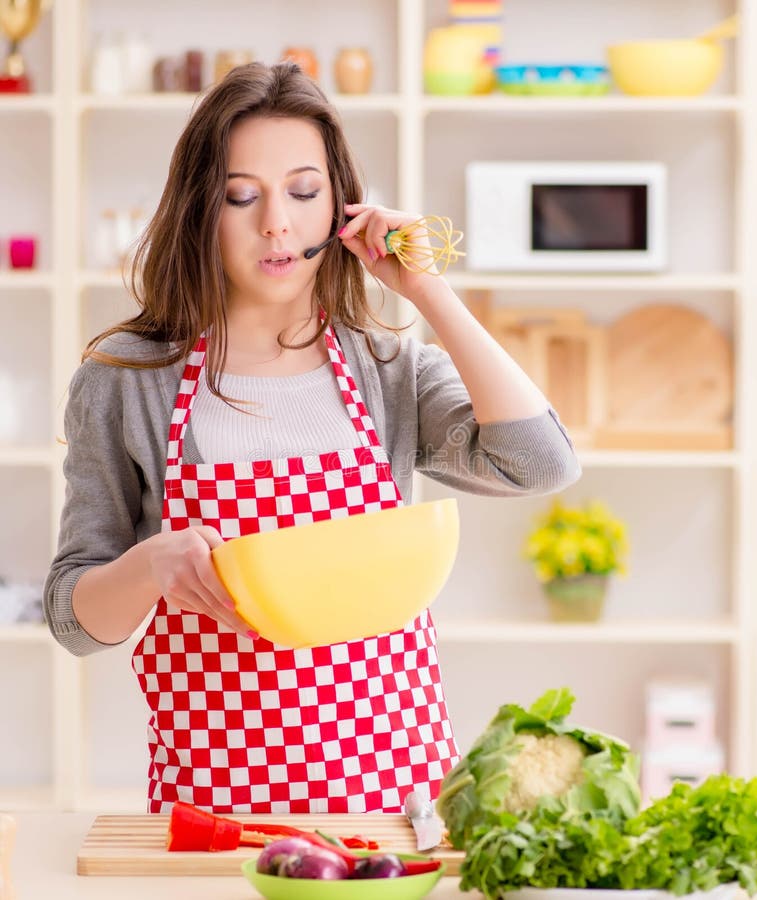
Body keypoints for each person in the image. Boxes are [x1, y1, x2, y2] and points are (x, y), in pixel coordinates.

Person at [44, 61, 580, 815]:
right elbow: (74, 619)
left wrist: (428, 290)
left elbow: (540, 464)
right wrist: (149, 565)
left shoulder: (386, 367)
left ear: (339, 211)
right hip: (216, 806)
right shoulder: (128, 378)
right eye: (241, 196)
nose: (276, 223)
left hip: (396, 802)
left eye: (303, 192)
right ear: (201, 210)